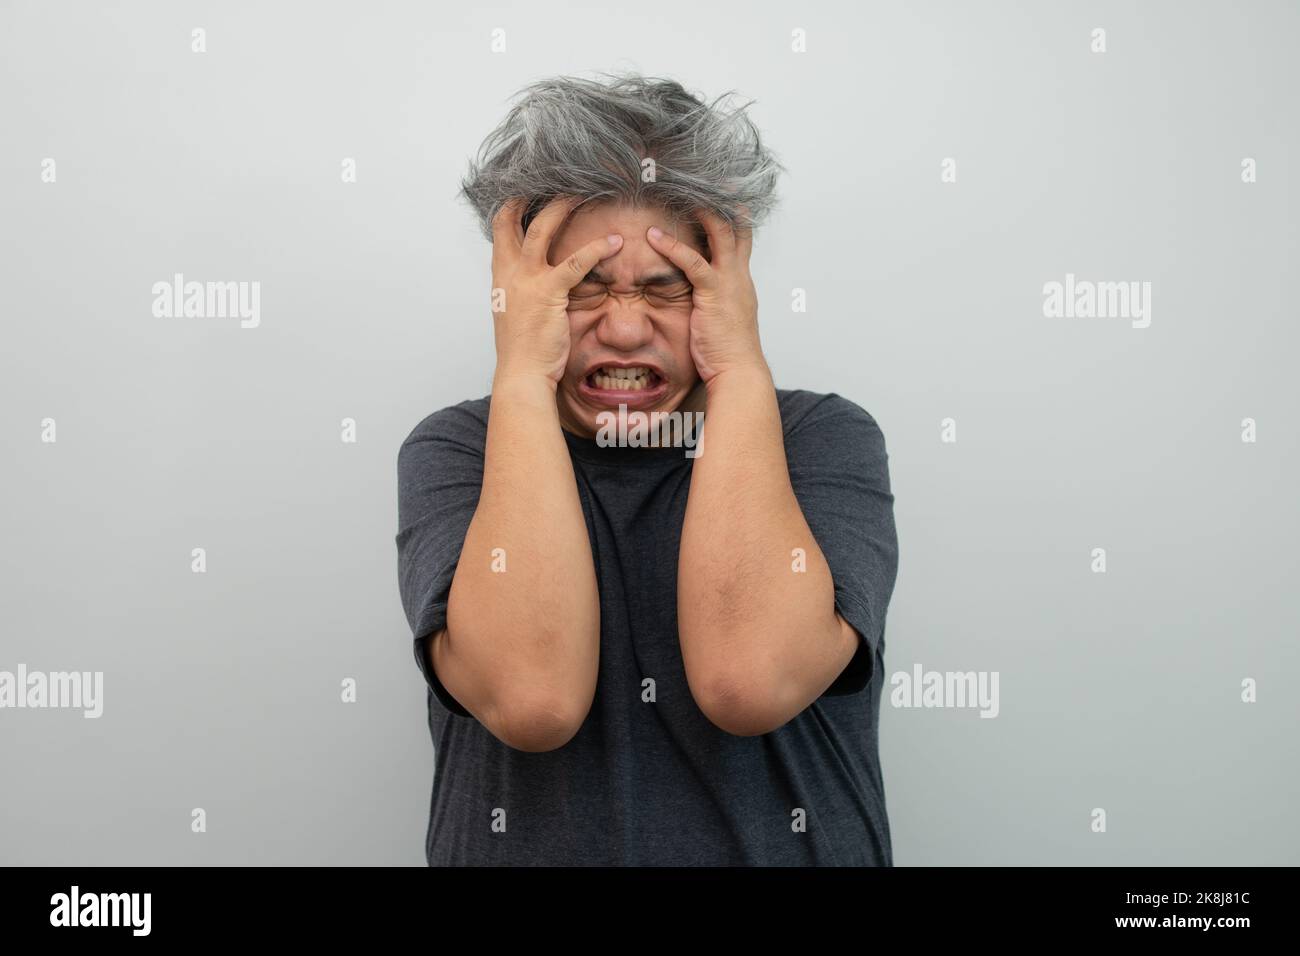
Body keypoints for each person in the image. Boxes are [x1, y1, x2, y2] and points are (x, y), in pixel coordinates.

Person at [395, 73, 899, 865]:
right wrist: (521, 374)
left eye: (670, 290)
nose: (625, 329)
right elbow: (535, 700)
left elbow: (749, 682)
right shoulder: (456, 452)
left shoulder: (821, 441)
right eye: (582, 289)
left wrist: (738, 371)